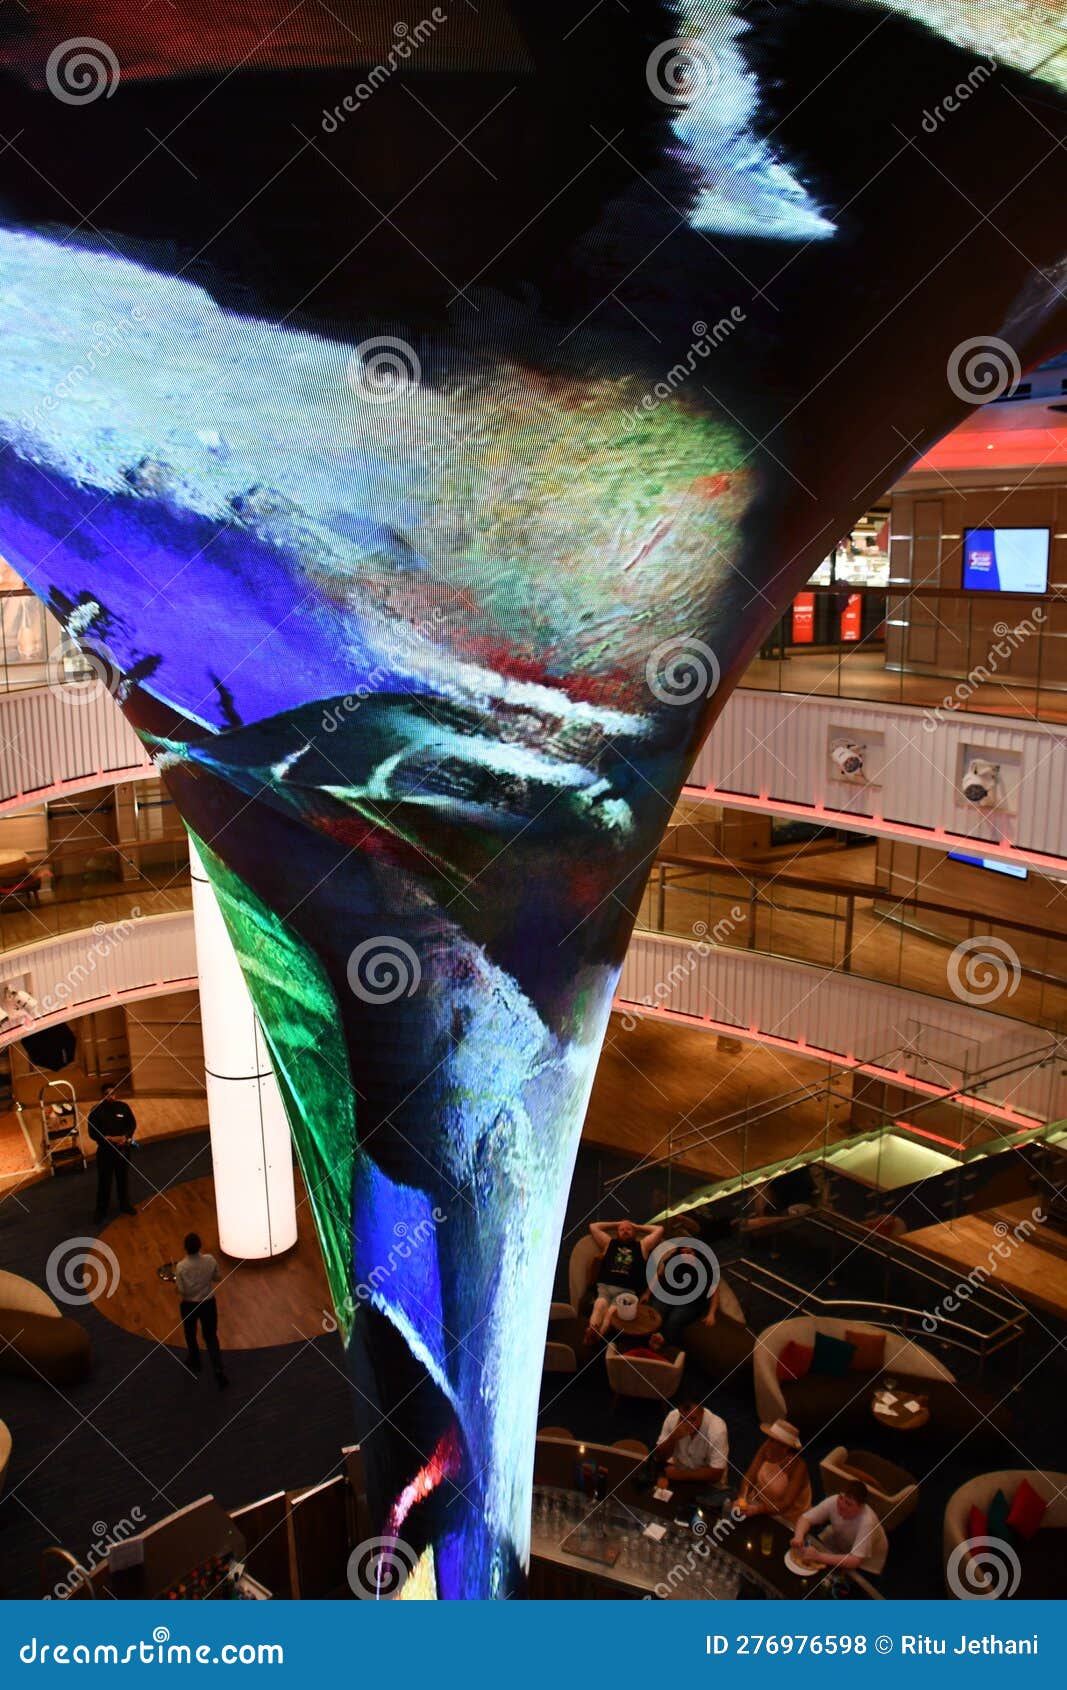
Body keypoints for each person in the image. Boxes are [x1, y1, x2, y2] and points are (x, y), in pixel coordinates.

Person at [584, 1218, 663, 1341]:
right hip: (605, 1286)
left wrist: (637, 1226)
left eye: (629, 1229)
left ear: (634, 1232)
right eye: (621, 1229)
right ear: (617, 1232)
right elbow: (593, 1226)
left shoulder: (642, 1245)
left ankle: (597, 1337)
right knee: (599, 1305)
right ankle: (592, 1330)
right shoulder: (609, 1243)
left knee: (611, 1314)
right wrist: (616, 1223)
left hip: (626, 1291)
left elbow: (659, 1229)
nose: (625, 1231)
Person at [791, 1480, 888, 1576]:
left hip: (867, 1560)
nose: (841, 1504)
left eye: (848, 1503)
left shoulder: (867, 1522)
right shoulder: (834, 1500)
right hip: (841, 1540)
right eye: (841, 1498)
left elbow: (855, 1561)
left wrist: (819, 1557)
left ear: (861, 1507)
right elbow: (805, 1518)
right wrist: (798, 1537)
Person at [174, 1231, 229, 1388]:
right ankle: (218, 1369)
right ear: (200, 1246)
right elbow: (218, 1277)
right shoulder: (210, 1260)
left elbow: (182, 1291)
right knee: (211, 1336)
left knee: (190, 1333)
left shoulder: (181, 1267)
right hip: (208, 1303)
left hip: (189, 1305)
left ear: (185, 1248)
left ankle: (195, 1360)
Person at [735, 1420, 811, 1527]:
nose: (769, 1443)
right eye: (770, 1439)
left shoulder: (799, 1467)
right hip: (758, 1503)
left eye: (775, 1441)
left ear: (786, 1447)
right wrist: (742, 1498)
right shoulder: (767, 1446)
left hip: (785, 1517)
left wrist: (758, 1509)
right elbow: (749, 1477)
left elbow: (786, 1504)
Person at [654, 1393, 729, 1490]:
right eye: (683, 1418)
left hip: (707, 1481)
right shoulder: (672, 1417)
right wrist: (673, 1438)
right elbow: (659, 1457)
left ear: (702, 1412)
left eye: (693, 1419)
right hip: (678, 1471)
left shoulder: (717, 1429)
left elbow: (716, 1473)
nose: (687, 1424)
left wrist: (681, 1475)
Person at [650, 1242, 720, 1345]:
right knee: (655, 1314)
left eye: (689, 1252)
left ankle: (664, 1341)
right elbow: (659, 1274)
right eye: (683, 1252)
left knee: (673, 1321)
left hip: (690, 1302)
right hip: (668, 1295)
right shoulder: (674, 1259)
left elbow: (715, 1291)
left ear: (696, 1253)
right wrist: (647, 1293)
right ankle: (654, 1337)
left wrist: (711, 1313)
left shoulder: (706, 1266)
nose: (686, 1255)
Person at [87, 1081, 137, 1222]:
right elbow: (92, 1132)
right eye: (107, 1094)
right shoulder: (96, 1111)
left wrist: (125, 1137)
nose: (110, 1097)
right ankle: (101, 1210)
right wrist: (107, 1139)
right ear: (102, 1096)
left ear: (116, 1094)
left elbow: (132, 1124)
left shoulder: (123, 1107)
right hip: (105, 1153)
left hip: (122, 1151)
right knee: (104, 1182)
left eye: (112, 1093)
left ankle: (124, 1205)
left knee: (123, 1179)